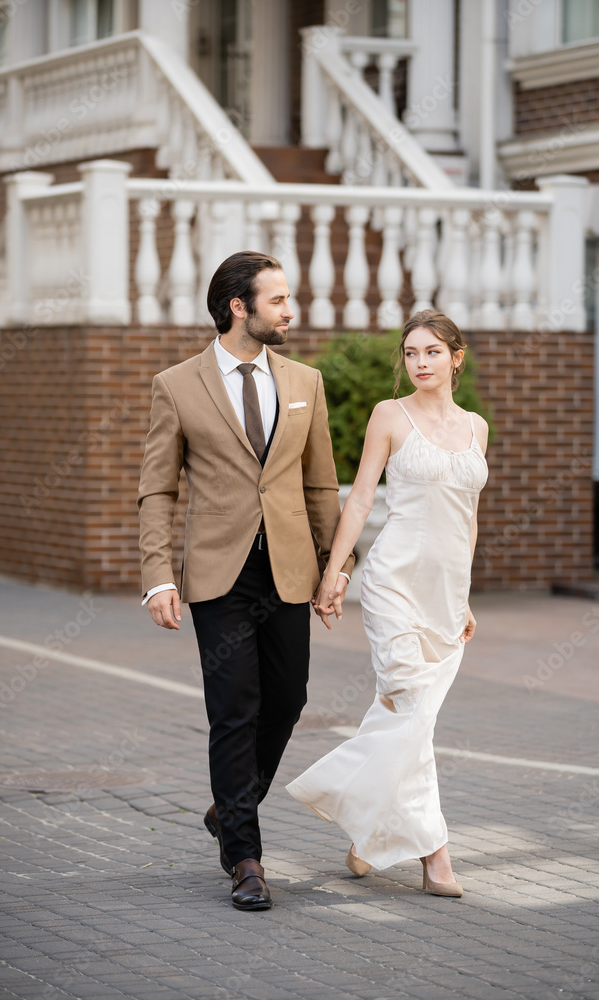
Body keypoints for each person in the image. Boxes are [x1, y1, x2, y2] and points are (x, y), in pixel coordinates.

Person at [137, 251, 354, 911]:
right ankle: (245, 858)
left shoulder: (303, 382)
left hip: (287, 571)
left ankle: (229, 807)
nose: (290, 311)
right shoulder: (177, 385)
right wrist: (156, 575)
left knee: (286, 699)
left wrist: (335, 567)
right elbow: (157, 489)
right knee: (235, 708)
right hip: (217, 573)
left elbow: (319, 482)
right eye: (279, 300)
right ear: (239, 306)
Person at [286, 309, 488, 896]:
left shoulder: (477, 427)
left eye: (431, 352)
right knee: (415, 716)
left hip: (447, 598)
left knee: (404, 720)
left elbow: (467, 520)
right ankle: (436, 858)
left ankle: (364, 829)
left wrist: (467, 596)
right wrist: (335, 574)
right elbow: (360, 502)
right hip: (393, 584)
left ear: (455, 357)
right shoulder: (388, 416)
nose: (419, 363)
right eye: (410, 353)